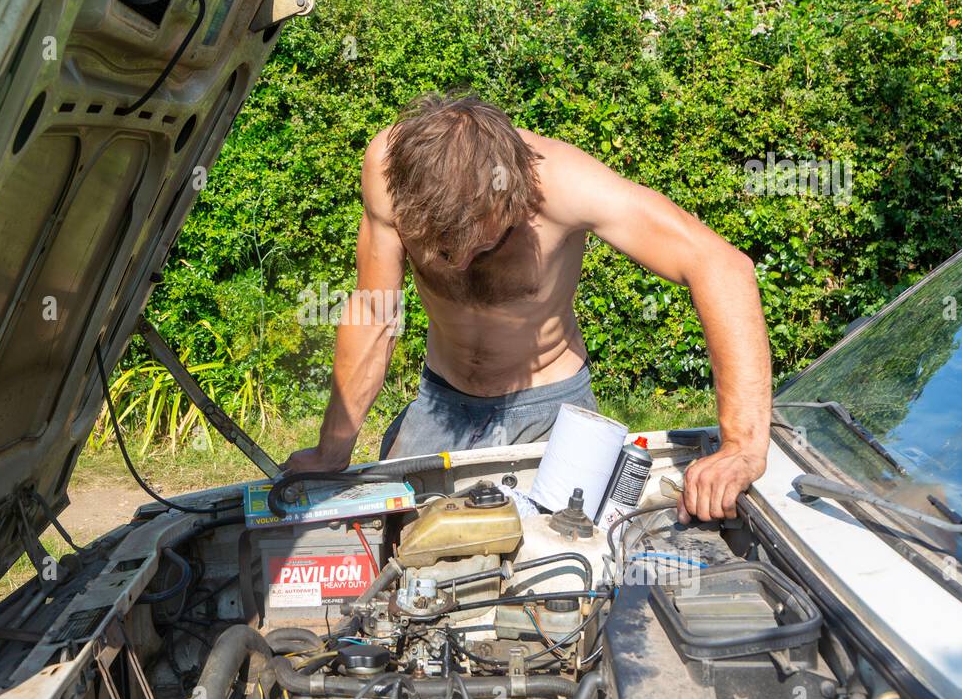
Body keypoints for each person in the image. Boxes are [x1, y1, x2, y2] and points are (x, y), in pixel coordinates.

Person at [283, 92, 771, 523]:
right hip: (441, 400)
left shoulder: (565, 184)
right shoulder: (390, 173)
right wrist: (333, 448)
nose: (463, 261)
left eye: (482, 242)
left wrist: (742, 445)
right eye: (444, 249)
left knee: (562, 567)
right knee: (403, 555)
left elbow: (721, 266)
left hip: (550, 407)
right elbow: (374, 312)